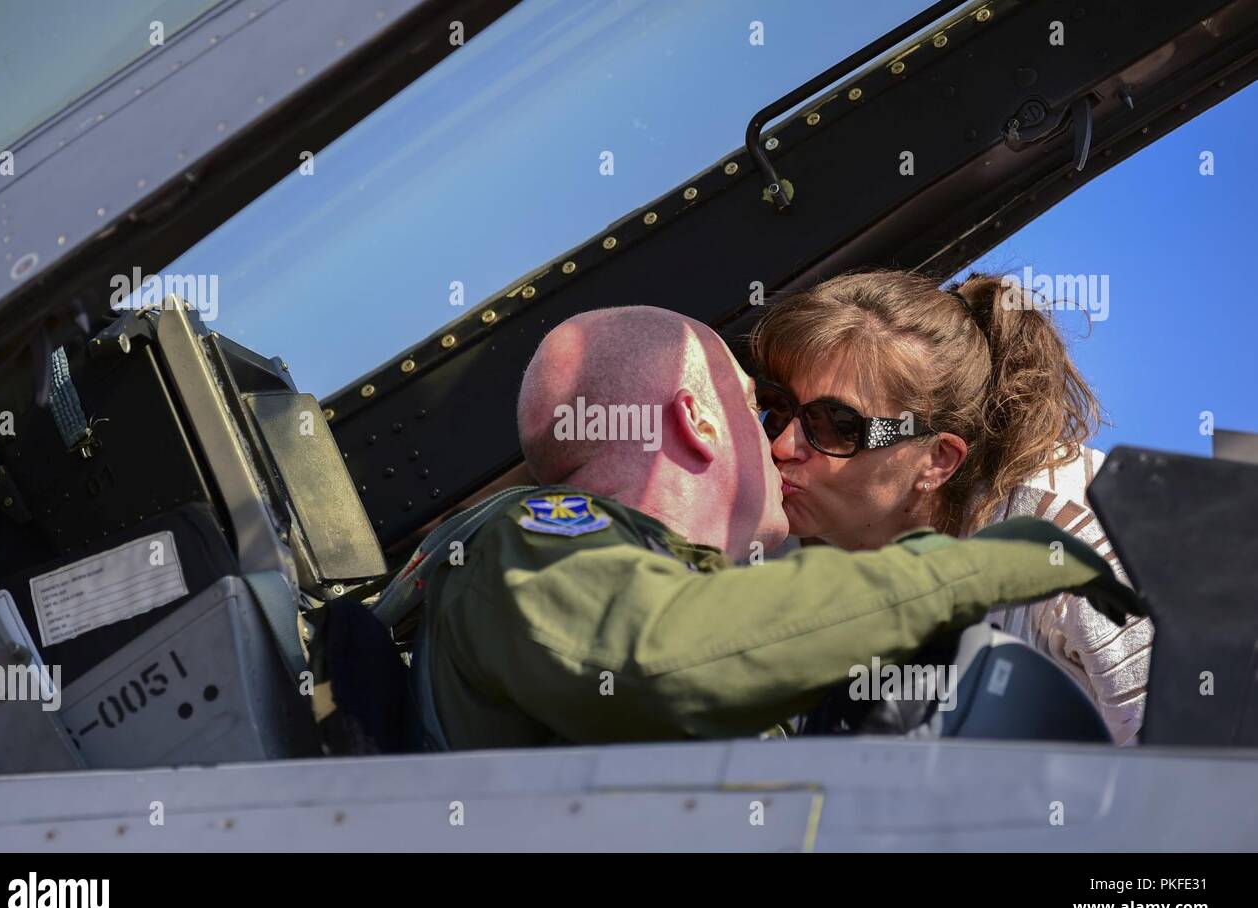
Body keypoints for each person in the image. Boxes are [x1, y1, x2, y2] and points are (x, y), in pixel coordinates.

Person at [412, 305, 1143, 751]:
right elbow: (668, 656)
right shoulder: (529, 542)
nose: (782, 444)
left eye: (830, 424)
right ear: (698, 422)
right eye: (763, 409)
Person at [749, 270, 1154, 744]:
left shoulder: (1075, 540)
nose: (782, 444)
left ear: (937, 459)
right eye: (776, 406)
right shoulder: (755, 537)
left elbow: (1190, 767)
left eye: (836, 423)